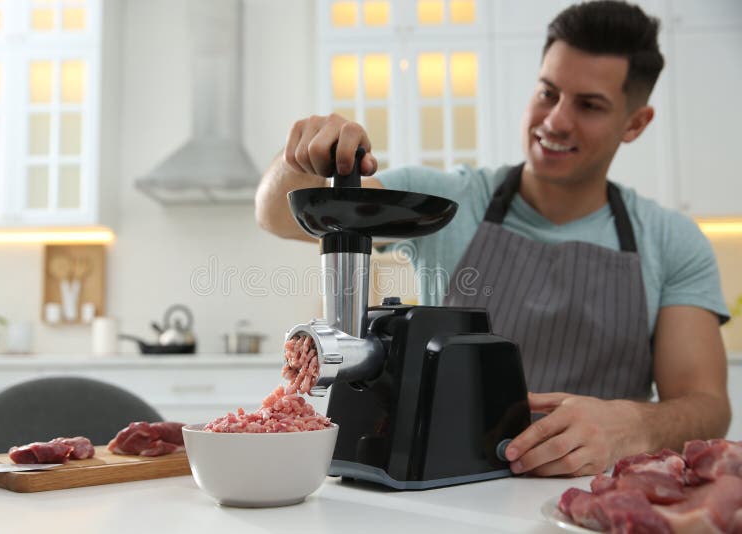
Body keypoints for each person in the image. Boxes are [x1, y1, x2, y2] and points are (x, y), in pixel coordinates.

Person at [254, 1, 731, 477]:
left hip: (601, 494)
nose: (556, 121)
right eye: (548, 93)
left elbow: (707, 405)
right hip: (449, 487)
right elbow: (276, 215)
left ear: (635, 123)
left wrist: (634, 425)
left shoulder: (672, 240)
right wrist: (301, 155)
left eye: (588, 105)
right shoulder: (450, 197)